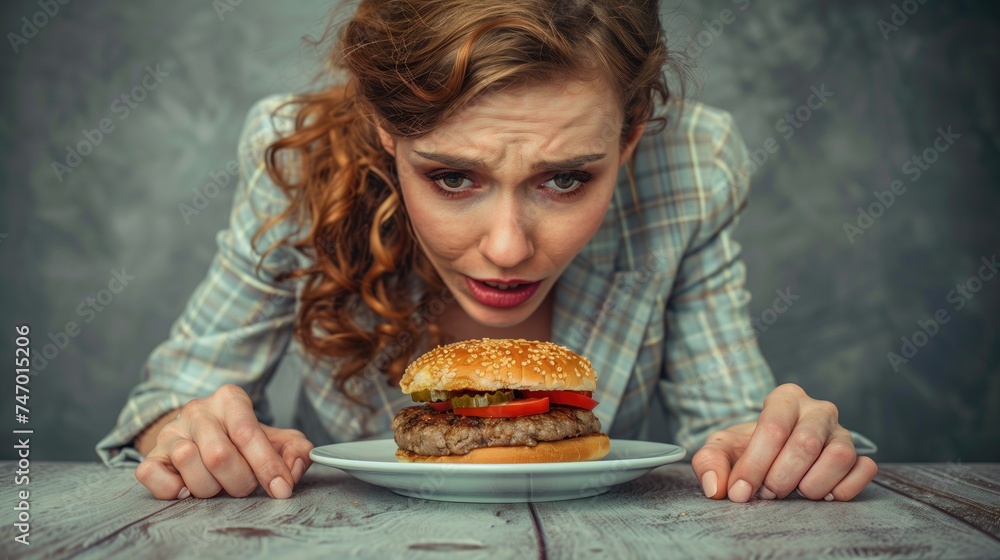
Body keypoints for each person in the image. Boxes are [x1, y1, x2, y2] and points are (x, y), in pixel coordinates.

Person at [97, 0, 877, 504]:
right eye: (452, 176)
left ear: (631, 133)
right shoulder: (295, 162)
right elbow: (174, 396)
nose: (508, 249)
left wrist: (783, 444)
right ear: (382, 128)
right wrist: (186, 433)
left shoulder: (692, 169)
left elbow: (732, 426)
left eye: (567, 178)